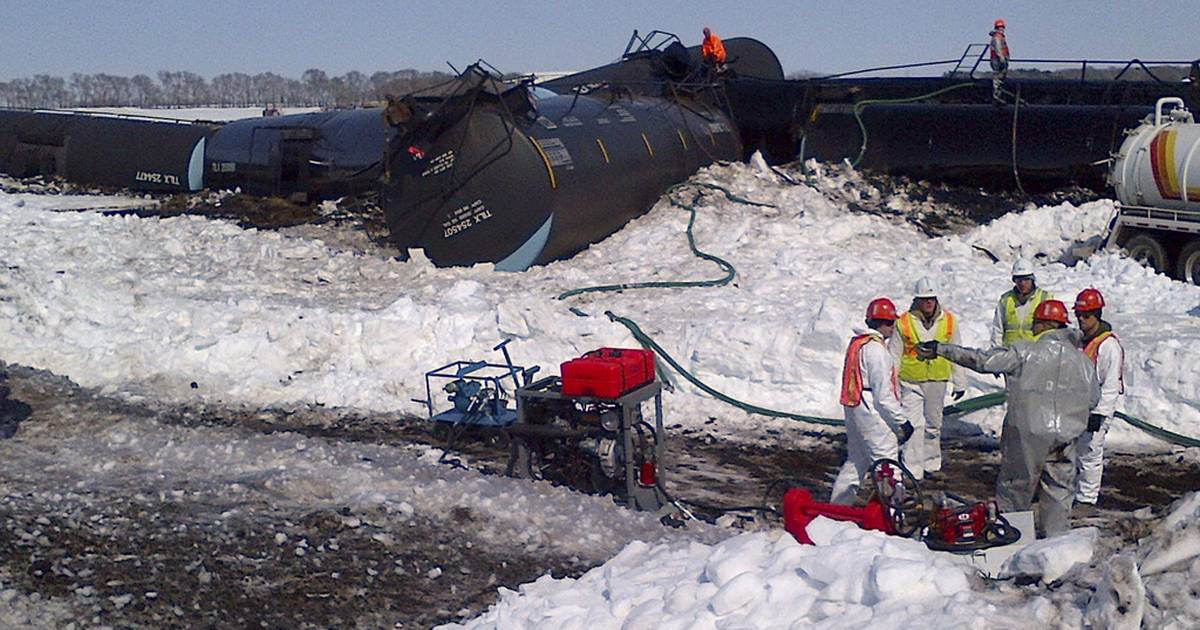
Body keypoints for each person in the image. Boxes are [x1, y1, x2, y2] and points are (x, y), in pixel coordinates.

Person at [918, 300, 1099, 536]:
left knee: (1016, 490)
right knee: (1059, 493)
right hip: (1065, 439)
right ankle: (1055, 550)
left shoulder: (1024, 352)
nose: (1032, 327)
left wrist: (942, 349)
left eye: (1035, 322)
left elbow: (982, 360)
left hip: (1027, 436)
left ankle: (1015, 542)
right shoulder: (1083, 362)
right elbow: (1093, 399)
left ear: (1045, 325)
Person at [831, 298, 914, 504]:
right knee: (887, 462)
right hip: (871, 410)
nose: (894, 327)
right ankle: (894, 513)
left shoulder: (858, 343)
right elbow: (883, 395)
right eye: (891, 323)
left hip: (855, 407)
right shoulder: (876, 350)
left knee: (856, 462)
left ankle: (838, 507)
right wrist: (901, 421)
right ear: (883, 323)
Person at [888, 277, 966, 480]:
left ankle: (931, 463)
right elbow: (894, 354)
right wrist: (891, 383)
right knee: (913, 424)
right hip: (910, 380)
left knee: (933, 424)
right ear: (917, 300)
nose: (928, 302)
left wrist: (960, 381)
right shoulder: (903, 322)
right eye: (924, 299)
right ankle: (912, 467)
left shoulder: (949, 320)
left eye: (931, 298)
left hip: (937, 380)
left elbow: (956, 351)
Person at [1072, 289, 1125, 512]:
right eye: (1079, 316)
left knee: (1091, 453)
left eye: (1086, 316)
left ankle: (1087, 499)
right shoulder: (1081, 341)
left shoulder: (1108, 346)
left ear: (1097, 315)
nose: (1081, 320)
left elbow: (1111, 385)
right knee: (1074, 452)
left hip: (1096, 409)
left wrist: (1100, 414)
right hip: (1078, 406)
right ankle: (1075, 492)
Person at [992, 258, 1052, 348]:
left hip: (1035, 355)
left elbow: (1051, 330)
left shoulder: (1044, 298)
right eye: (1019, 280)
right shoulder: (1006, 300)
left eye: (1026, 279)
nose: (1022, 283)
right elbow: (998, 330)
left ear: (1032, 279)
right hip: (1010, 355)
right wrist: (996, 353)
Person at [990, 19, 1010, 103]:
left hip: (1000, 59)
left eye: (1002, 27)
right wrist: (1001, 58)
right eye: (1000, 27)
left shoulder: (1000, 37)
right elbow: (998, 49)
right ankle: (997, 96)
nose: (1001, 29)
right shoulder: (997, 37)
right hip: (997, 60)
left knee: (1000, 78)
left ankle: (999, 94)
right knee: (997, 78)